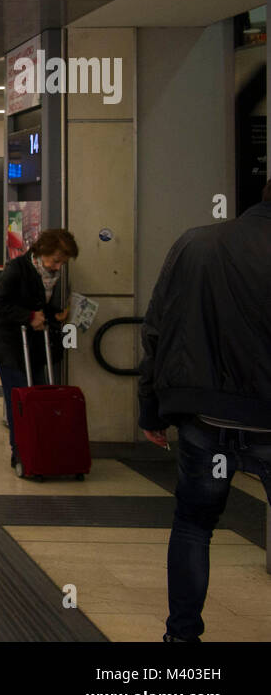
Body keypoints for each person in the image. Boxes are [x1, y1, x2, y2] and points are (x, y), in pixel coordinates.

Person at [137, 179, 271, 643]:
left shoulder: (194, 243)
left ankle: (181, 636)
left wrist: (151, 408)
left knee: (194, 526)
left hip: (204, 418)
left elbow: (156, 328)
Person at [0, 228, 79, 468]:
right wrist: (29, 316)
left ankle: (41, 446)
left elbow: (40, 304)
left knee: (40, 394)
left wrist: (55, 316)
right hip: (9, 345)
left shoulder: (52, 275)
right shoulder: (17, 269)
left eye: (62, 262)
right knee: (19, 398)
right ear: (42, 251)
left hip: (33, 345)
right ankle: (20, 451)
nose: (57, 266)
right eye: (55, 260)